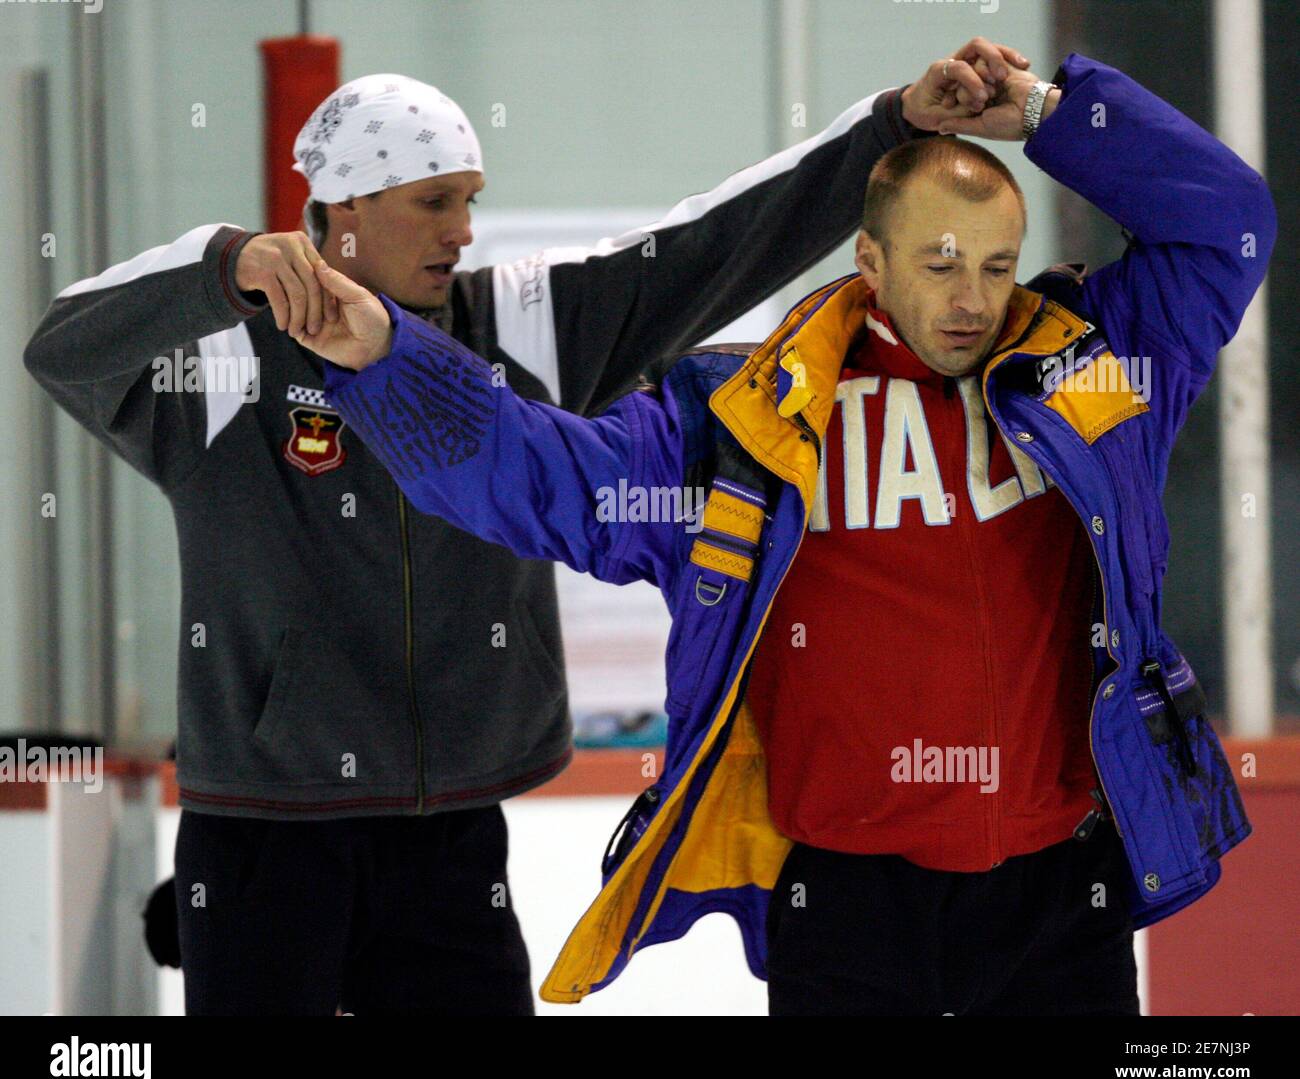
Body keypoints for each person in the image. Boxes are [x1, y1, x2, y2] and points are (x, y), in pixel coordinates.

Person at [23, 44, 1020, 1015]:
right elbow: (61, 344)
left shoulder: (525, 330)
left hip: (453, 833)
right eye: (433, 201)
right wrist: (223, 262)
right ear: (345, 210)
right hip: (260, 830)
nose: (461, 230)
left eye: (468, 198)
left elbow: (715, 242)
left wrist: (893, 126)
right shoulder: (224, 367)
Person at [295, 51, 1273, 1014]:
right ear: (871, 260)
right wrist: (386, 362)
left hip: (1063, 903)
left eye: (994, 265)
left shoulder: (1096, 375)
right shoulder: (744, 424)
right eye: (938, 263)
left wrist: (1050, 112)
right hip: (848, 915)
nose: (971, 300)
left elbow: (1225, 223)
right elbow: (539, 472)